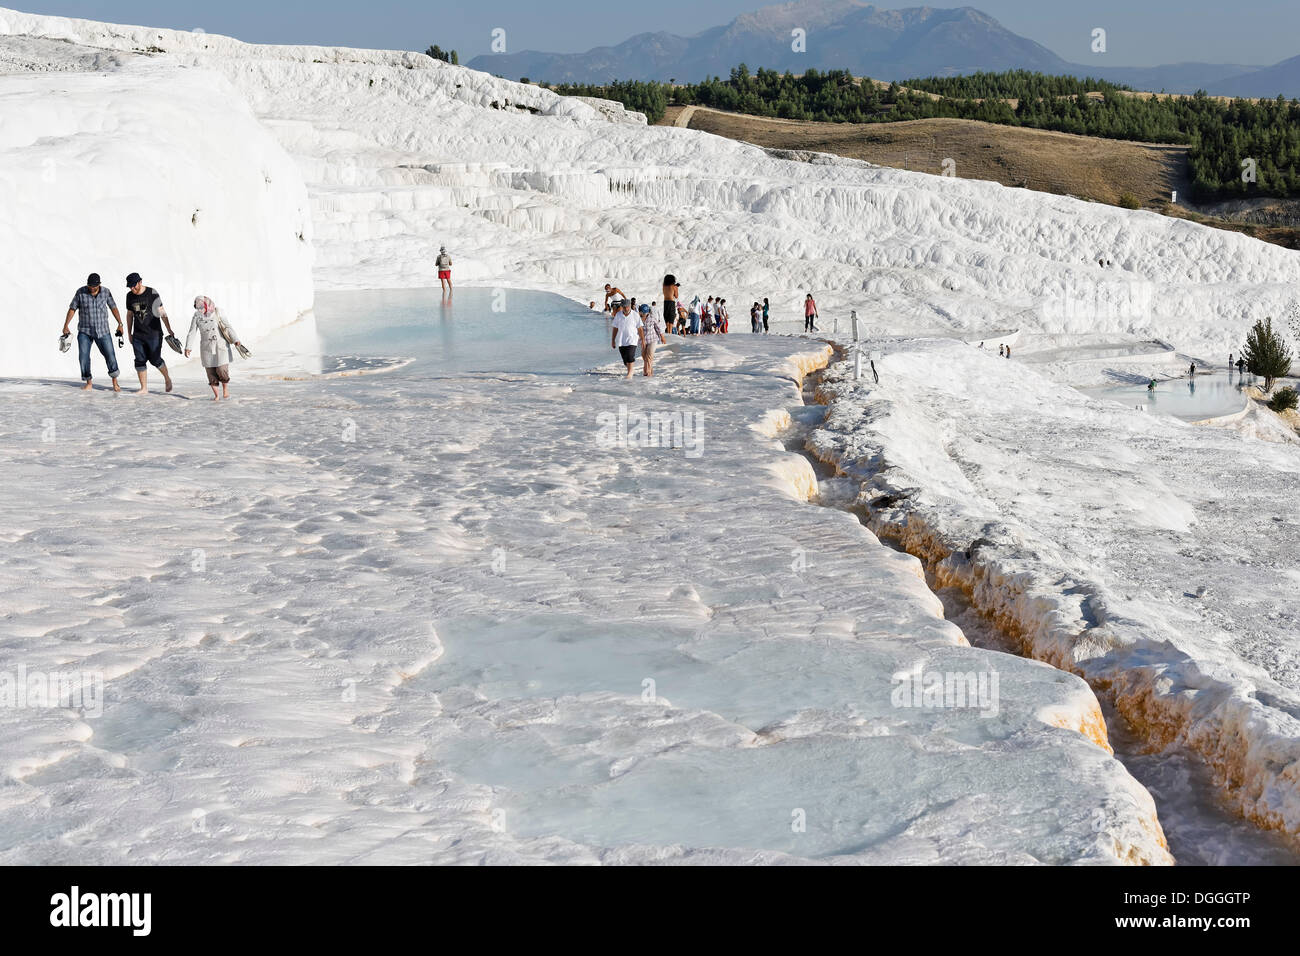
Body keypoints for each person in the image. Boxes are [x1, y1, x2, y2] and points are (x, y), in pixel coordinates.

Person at [63, 273, 124, 392]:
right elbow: (72, 308)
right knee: (83, 357)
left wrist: (120, 324)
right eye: (90, 286)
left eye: (94, 287)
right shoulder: (80, 292)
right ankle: (88, 382)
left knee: (110, 355)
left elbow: (113, 307)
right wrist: (66, 325)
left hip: (103, 331)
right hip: (85, 331)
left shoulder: (106, 292)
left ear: (99, 284)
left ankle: (115, 383)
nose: (92, 288)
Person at [185, 295, 244, 401]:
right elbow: (192, 332)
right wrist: (188, 347)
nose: (200, 309)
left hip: (220, 346)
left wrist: (235, 339)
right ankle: (216, 396)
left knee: (222, 370)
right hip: (206, 348)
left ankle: (225, 388)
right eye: (197, 307)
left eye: (202, 307)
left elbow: (227, 326)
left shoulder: (218, 312)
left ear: (207, 304)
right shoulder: (197, 316)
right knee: (211, 372)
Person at [124, 273, 175, 394]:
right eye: (130, 287)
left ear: (140, 282)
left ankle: (167, 379)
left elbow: (161, 311)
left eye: (134, 286)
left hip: (154, 334)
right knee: (139, 360)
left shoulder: (152, 293)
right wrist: (129, 333)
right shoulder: (129, 296)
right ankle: (144, 388)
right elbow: (130, 315)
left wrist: (169, 329)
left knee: (155, 359)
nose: (132, 289)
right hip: (138, 334)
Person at [610, 299, 642, 379]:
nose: (626, 309)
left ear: (630, 306)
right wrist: (613, 340)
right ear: (622, 307)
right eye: (624, 307)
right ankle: (630, 370)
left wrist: (643, 339)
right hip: (621, 340)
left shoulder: (635, 315)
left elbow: (640, 328)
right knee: (625, 359)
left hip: (632, 340)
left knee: (630, 356)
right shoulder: (618, 315)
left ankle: (630, 373)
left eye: (627, 307)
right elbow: (615, 328)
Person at [639, 303, 665, 377]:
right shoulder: (638, 319)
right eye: (640, 312)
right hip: (643, 340)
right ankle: (647, 369)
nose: (641, 314)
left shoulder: (652, 318)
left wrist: (662, 337)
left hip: (652, 339)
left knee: (649, 355)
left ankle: (648, 372)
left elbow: (658, 328)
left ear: (646, 312)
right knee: (644, 356)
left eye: (642, 313)